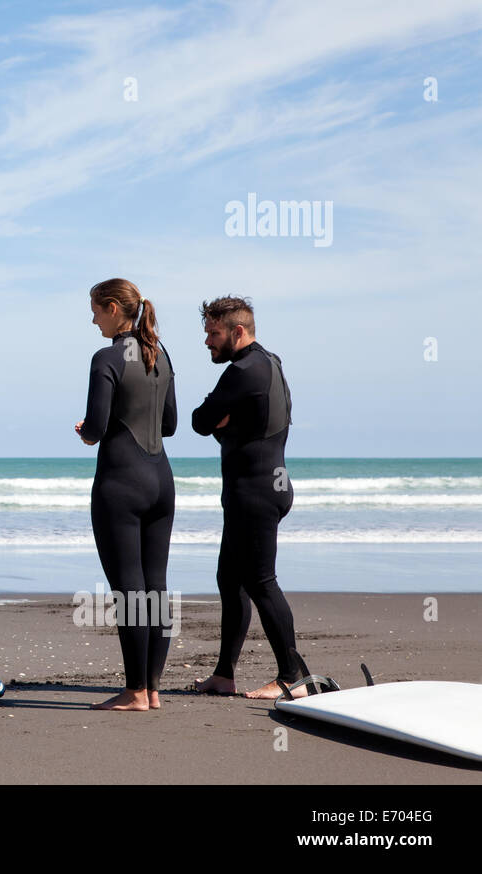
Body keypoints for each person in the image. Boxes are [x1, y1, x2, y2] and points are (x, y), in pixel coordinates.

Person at [74, 280, 177, 712]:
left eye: (96, 310)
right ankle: (151, 689)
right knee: (156, 587)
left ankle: (134, 691)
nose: (92, 318)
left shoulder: (107, 358)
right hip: (161, 481)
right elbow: (169, 424)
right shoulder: (161, 354)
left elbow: (96, 429)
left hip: (121, 484)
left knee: (129, 591)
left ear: (115, 309)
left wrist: (86, 431)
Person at [190, 296, 298, 700]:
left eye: (213, 333)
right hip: (270, 485)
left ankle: (291, 676)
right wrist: (229, 426)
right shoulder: (271, 361)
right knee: (230, 579)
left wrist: (222, 423)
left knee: (260, 582)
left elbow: (200, 421)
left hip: (252, 492)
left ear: (238, 332)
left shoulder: (241, 371)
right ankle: (223, 675)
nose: (207, 342)